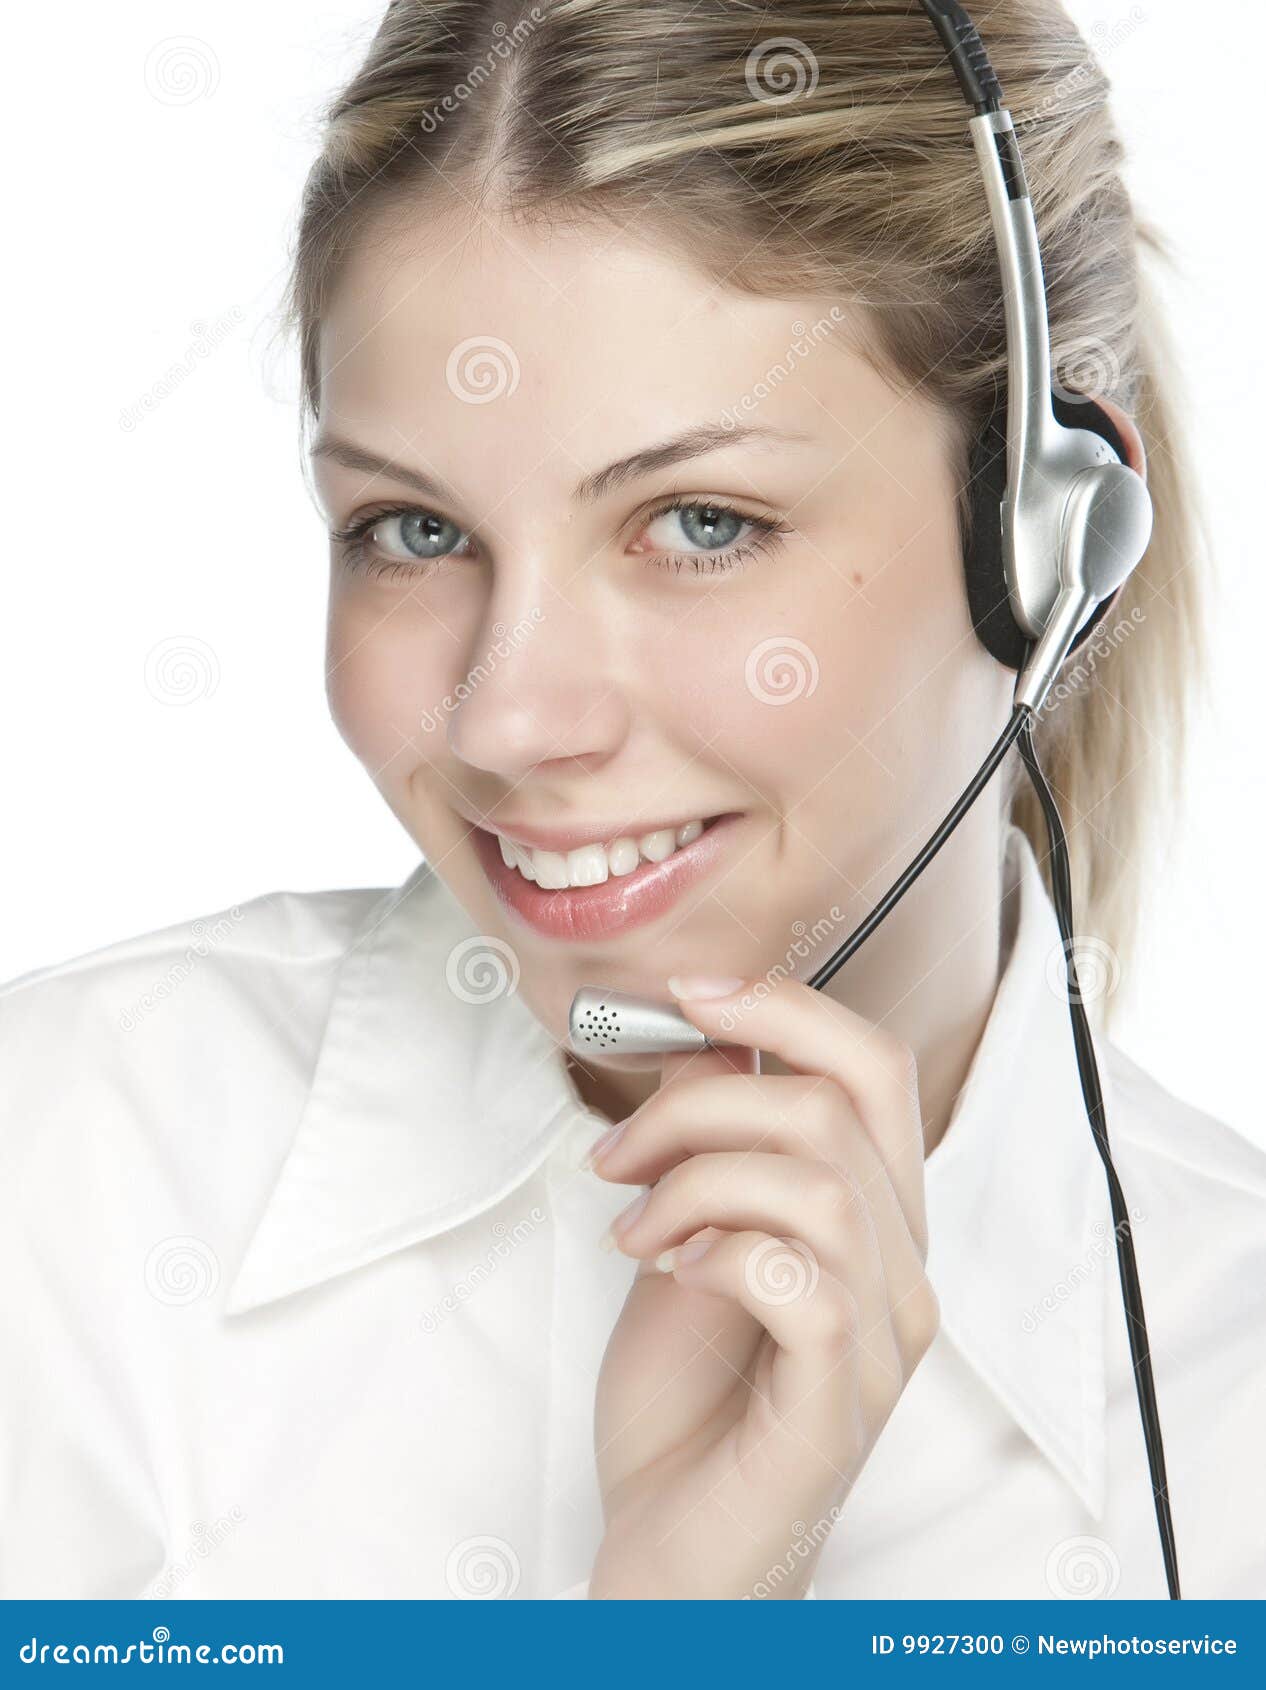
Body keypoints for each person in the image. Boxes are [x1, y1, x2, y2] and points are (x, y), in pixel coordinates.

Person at [2, 0, 1263, 1601]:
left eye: (702, 523)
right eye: (412, 531)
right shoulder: (54, 1193)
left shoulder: (1229, 1432)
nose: (511, 717)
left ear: (1047, 546)